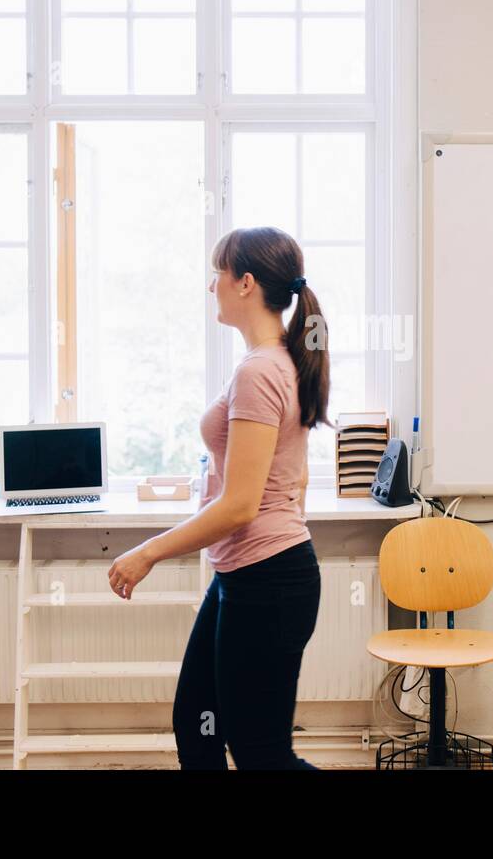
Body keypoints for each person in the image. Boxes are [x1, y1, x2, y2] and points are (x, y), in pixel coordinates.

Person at [107, 226, 330, 770]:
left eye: (218, 275)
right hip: (253, 574)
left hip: (268, 581)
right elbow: (291, 480)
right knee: (197, 721)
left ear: (246, 283)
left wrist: (147, 553)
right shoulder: (283, 360)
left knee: (261, 754)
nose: (212, 287)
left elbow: (239, 506)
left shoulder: (261, 371)